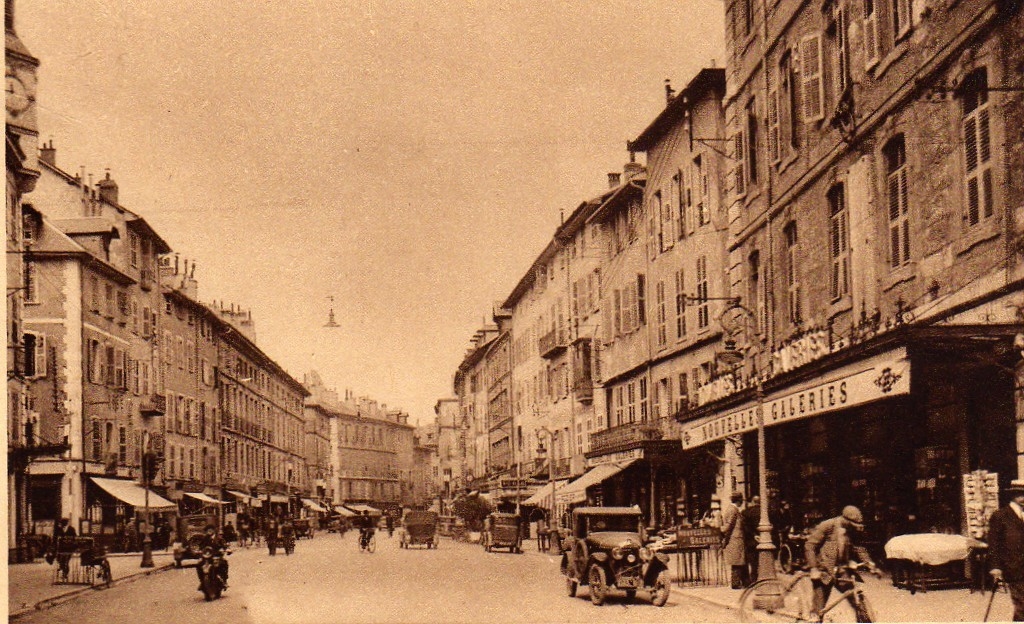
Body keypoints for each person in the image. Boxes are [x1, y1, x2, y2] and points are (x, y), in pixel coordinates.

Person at [804, 505, 878, 619]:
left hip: (841, 569)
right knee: (818, 610)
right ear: (845, 520)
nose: (856, 528)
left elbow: (858, 547)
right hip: (824, 570)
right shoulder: (828, 525)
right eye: (854, 525)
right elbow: (810, 545)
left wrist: (869, 563)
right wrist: (813, 568)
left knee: (858, 601)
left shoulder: (851, 530)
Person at [988, 479, 1024, 621]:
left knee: (1021, 607)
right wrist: (995, 567)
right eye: (1021, 494)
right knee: (1022, 604)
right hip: (1013, 567)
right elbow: (993, 544)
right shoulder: (1000, 516)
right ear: (1013, 496)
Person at [720, 492, 747, 589]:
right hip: (735, 539)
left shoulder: (731, 509)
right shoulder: (733, 510)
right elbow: (728, 526)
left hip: (734, 539)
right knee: (737, 561)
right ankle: (736, 583)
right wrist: (721, 533)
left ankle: (743, 582)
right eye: (741, 500)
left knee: (739, 561)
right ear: (739, 500)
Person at [195, 525, 229, 591]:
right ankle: (202, 581)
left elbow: (224, 545)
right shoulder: (204, 539)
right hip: (207, 558)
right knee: (198, 565)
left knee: (224, 563)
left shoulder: (219, 538)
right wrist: (198, 551)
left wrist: (226, 549)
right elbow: (200, 547)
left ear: (214, 530)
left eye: (211, 529)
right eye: (208, 530)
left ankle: (224, 580)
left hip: (217, 557)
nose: (209, 531)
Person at [743, 495, 762, 582]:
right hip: (765, 539)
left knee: (752, 562)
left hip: (751, 540)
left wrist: (754, 535)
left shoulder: (746, 512)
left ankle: (753, 579)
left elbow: (745, 528)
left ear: (752, 502)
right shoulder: (765, 512)